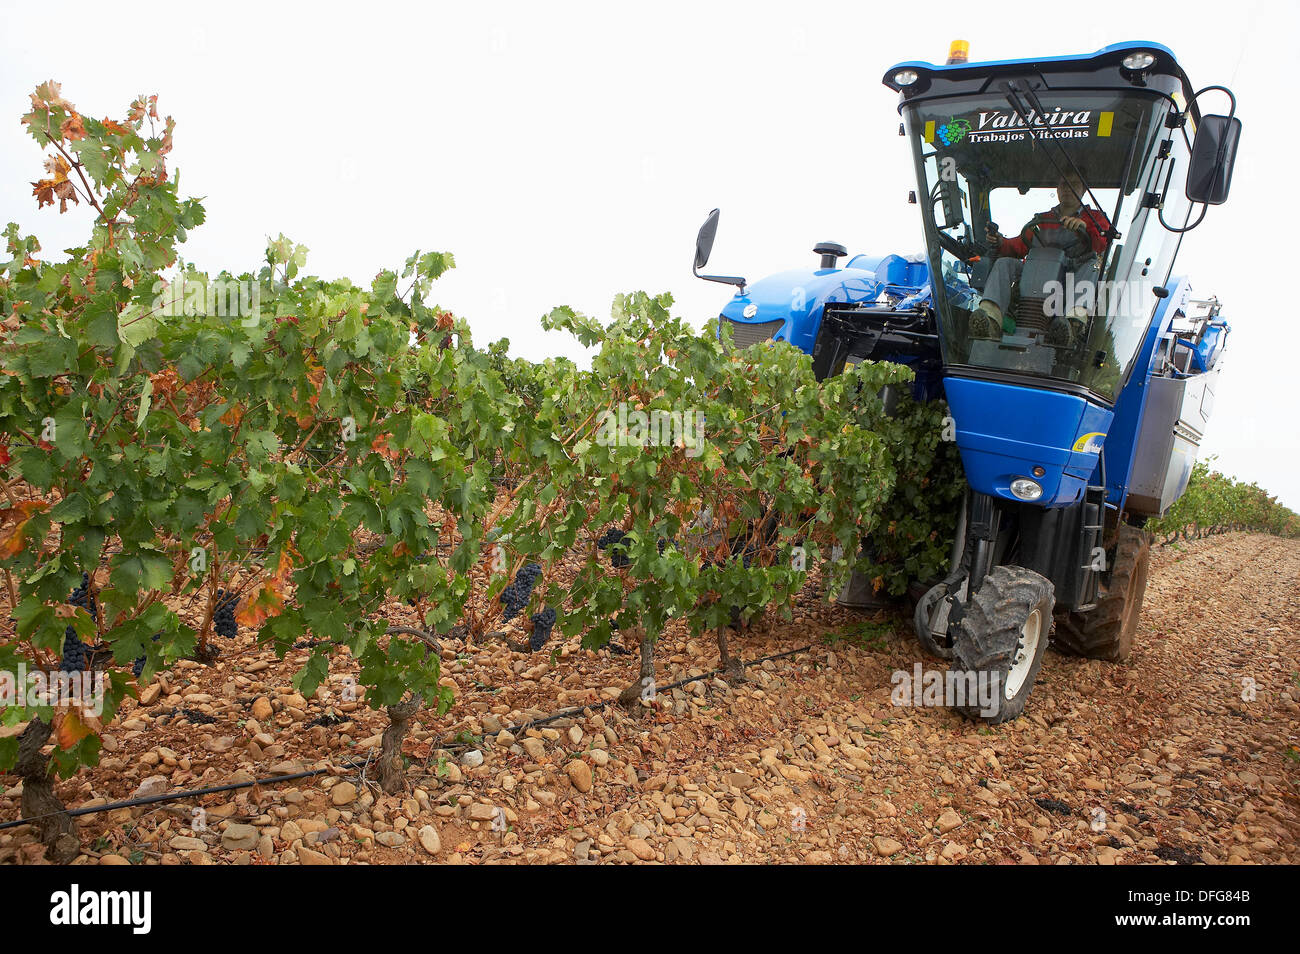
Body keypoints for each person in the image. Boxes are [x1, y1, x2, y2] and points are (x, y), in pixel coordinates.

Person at [970, 170, 1110, 346]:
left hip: (1071, 276)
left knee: (1092, 266)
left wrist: (1086, 228)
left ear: (1084, 190)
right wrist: (1000, 242)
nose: (1067, 188)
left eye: (1074, 184)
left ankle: (1073, 325)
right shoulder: (1042, 219)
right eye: (1063, 184)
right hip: (1035, 271)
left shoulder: (1096, 219)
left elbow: (1103, 244)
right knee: (1004, 263)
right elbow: (1018, 246)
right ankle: (990, 320)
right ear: (1057, 189)